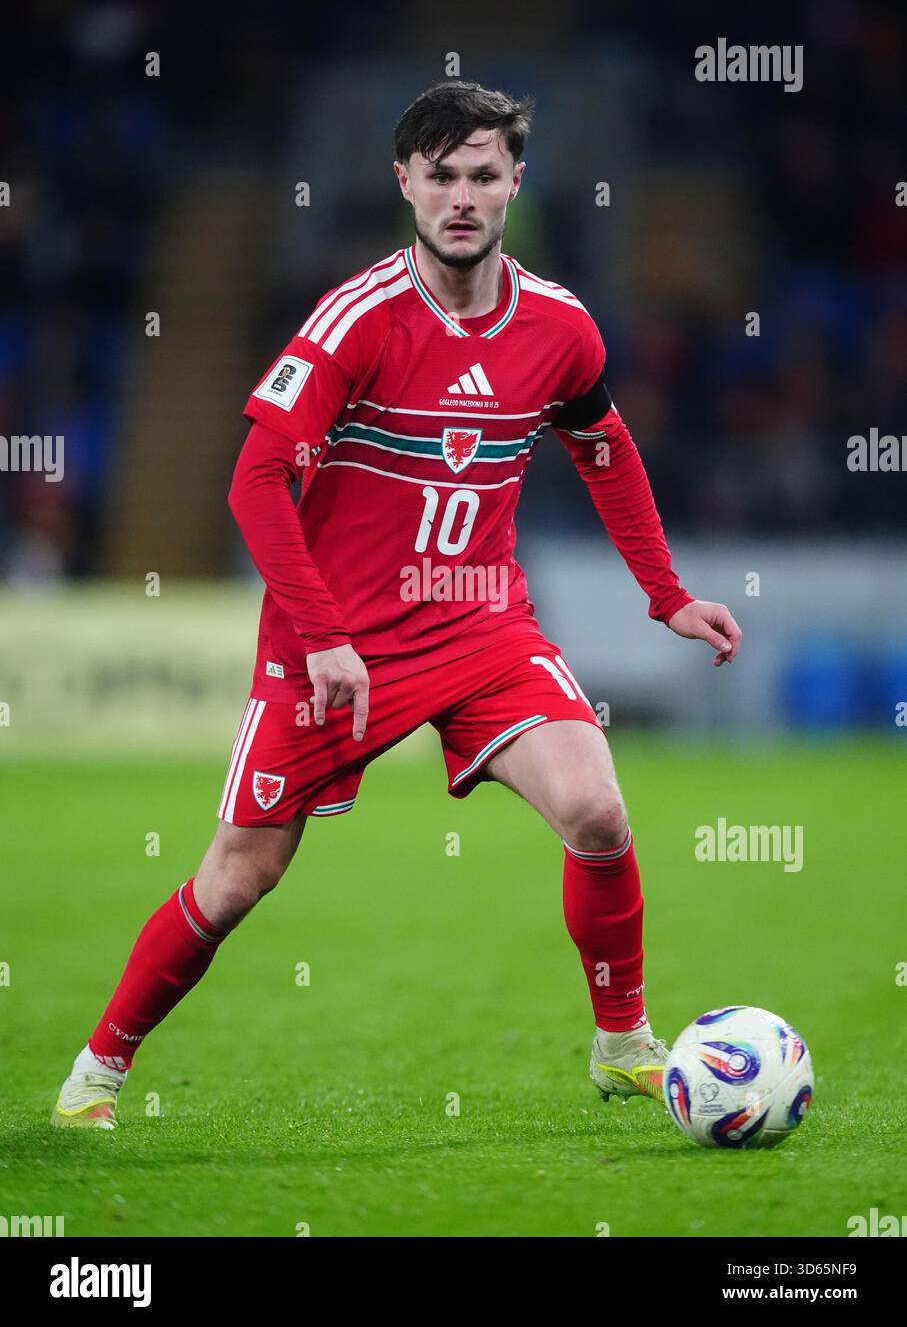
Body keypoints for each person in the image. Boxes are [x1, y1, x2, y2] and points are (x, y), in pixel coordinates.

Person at [52, 80, 741, 1130]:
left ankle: (623, 1041)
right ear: (405, 183)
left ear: (516, 181)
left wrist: (667, 595)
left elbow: (605, 449)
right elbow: (254, 480)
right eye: (441, 176)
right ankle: (98, 1070)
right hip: (334, 648)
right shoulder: (354, 322)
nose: (461, 197)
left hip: (480, 624)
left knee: (597, 810)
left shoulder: (558, 328)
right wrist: (324, 637)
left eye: (482, 175)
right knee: (241, 876)